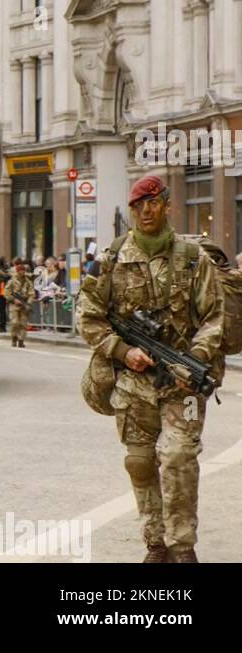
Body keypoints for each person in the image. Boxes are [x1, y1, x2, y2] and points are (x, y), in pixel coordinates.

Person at [78, 175, 224, 563]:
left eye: (153, 203)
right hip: (133, 382)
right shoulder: (110, 259)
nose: (146, 210)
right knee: (140, 462)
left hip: (182, 383)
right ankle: (155, 545)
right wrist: (123, 351)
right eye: (139, 205)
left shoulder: (193, 259)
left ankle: (182, 547)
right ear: (131, 209)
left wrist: (193, 355)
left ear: (166, 205)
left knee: (178, 458)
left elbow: (214, 317)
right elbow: (87, 317)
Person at [4, 257, 34, 347]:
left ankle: (21, 340)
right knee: (14, 323)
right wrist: (14, 300)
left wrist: (28, 302)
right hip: (14, 305)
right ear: (17, 271)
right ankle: (14, 338)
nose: (23, 272)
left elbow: (32, 294)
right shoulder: (12, 281)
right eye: (21, 270)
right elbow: (6, 293)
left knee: (23, 323)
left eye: (24, 270)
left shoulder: (28, 282)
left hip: (24, 305)